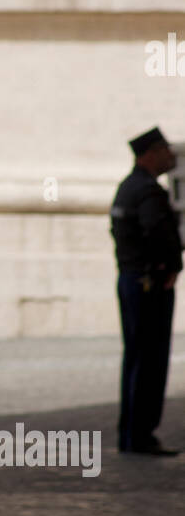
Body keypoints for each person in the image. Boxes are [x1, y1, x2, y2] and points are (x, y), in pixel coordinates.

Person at [110, 126, 182, 455]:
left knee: (136, 358)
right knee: (151, 360)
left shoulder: (127, 188)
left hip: (130, 279)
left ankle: (130, 433)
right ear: (151, 153)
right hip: (150, 283)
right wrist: (170, 267)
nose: (171, 156)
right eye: (165, 149)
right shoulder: (149, 192)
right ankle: (141, 435)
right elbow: (157, 234)